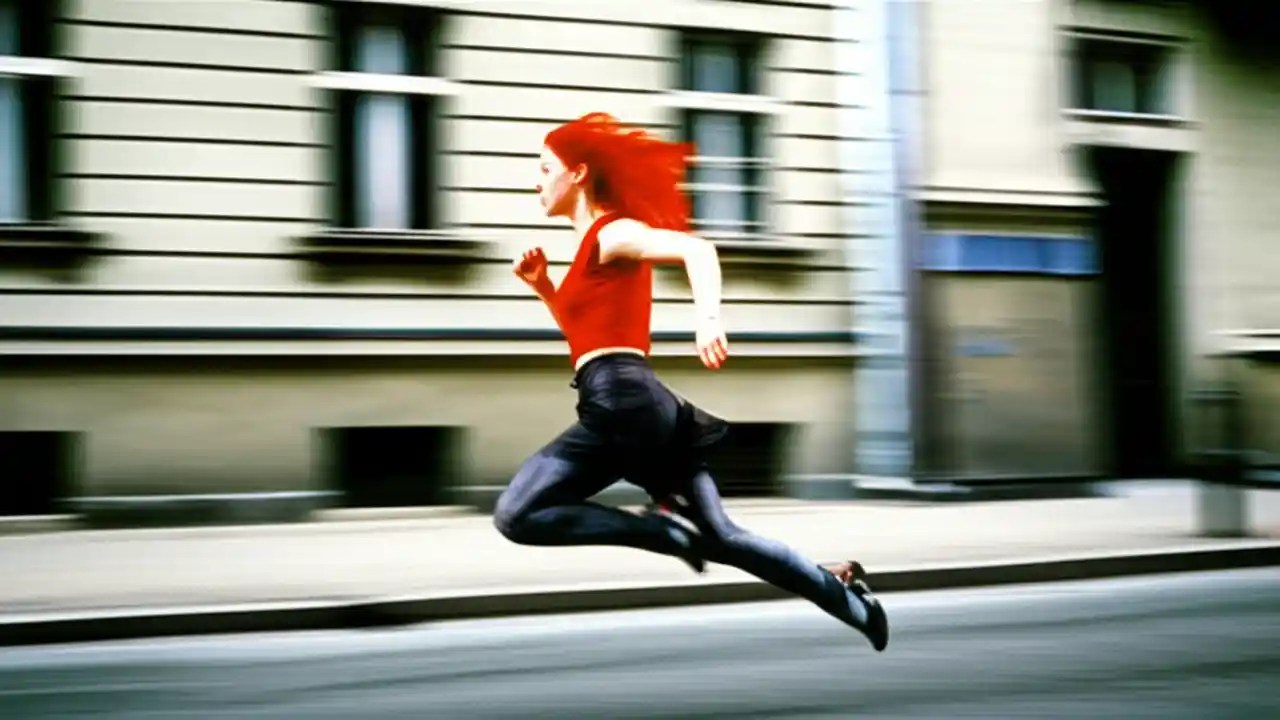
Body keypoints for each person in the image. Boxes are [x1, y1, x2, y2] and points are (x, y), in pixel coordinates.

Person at [493, 112, 888, 652]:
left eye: (544, 168)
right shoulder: (591, 248)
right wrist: (544, 288)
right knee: (724, 537)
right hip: (642, 405)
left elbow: (697, 250)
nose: (536, 180)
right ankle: (846, 598)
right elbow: (589, 337)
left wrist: (707, 320)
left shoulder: (614, 233)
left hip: (620, 403)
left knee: (517, 514)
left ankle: (657, 531)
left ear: (578, 173)